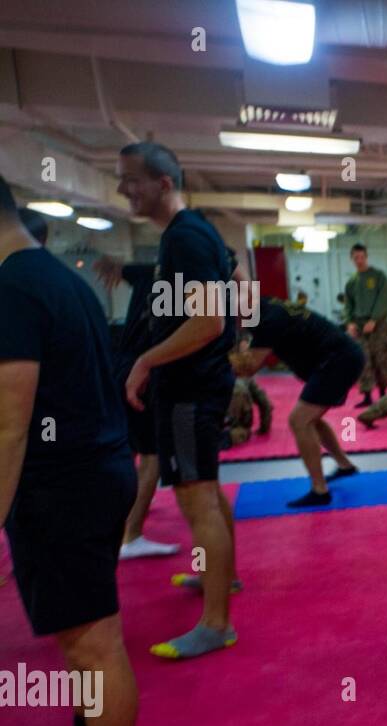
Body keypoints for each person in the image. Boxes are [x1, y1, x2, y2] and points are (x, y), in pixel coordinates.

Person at [0, 175, 145, 726]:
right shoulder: (59, 279)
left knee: (92, 637)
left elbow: (9, 421)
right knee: (81, 632)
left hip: (67, 486)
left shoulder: (14, 289)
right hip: (89, 474)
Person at [115, 141, 239, 661]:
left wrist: (146, 361)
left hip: (191, 390)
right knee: (204, 493)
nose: (124, 190)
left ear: (163, 183)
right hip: (193, 386)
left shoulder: (187, 237)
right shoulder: (188, 235)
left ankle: (215, 624)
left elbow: (209, 322)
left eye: (131, 180)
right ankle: (221, 580)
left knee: (196, 498)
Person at [237, 298, 365, 507]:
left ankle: (320, 490)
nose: (235, 323)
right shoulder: (267, 308)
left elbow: (248, 367)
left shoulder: (268, 320)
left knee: (299, 420)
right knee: (310, 419)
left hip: (338, 360)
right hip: (335, 358)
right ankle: (345, 465)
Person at [93, 257, 181, 560]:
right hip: (146, 372)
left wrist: (111, 266)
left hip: (122, 367)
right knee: (153, 453)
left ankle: (110, 518)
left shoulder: (151, 271)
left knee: (128, 446)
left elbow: (119, 268)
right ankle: (131, 534)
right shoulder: (190, 281)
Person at [342, 243, 387, 408]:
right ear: (352, 259)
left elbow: (383, 300)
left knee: (381, 359)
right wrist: (349, 323)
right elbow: (348, 305)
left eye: (362, 257)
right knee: (363, 361)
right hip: (359, 327)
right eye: (356, 258)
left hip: (379, 326)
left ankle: (383, 393)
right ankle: (367, 396)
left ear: (366, 257)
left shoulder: (379, 276)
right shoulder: (351, 282)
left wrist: (374, 319)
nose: (359, 260)